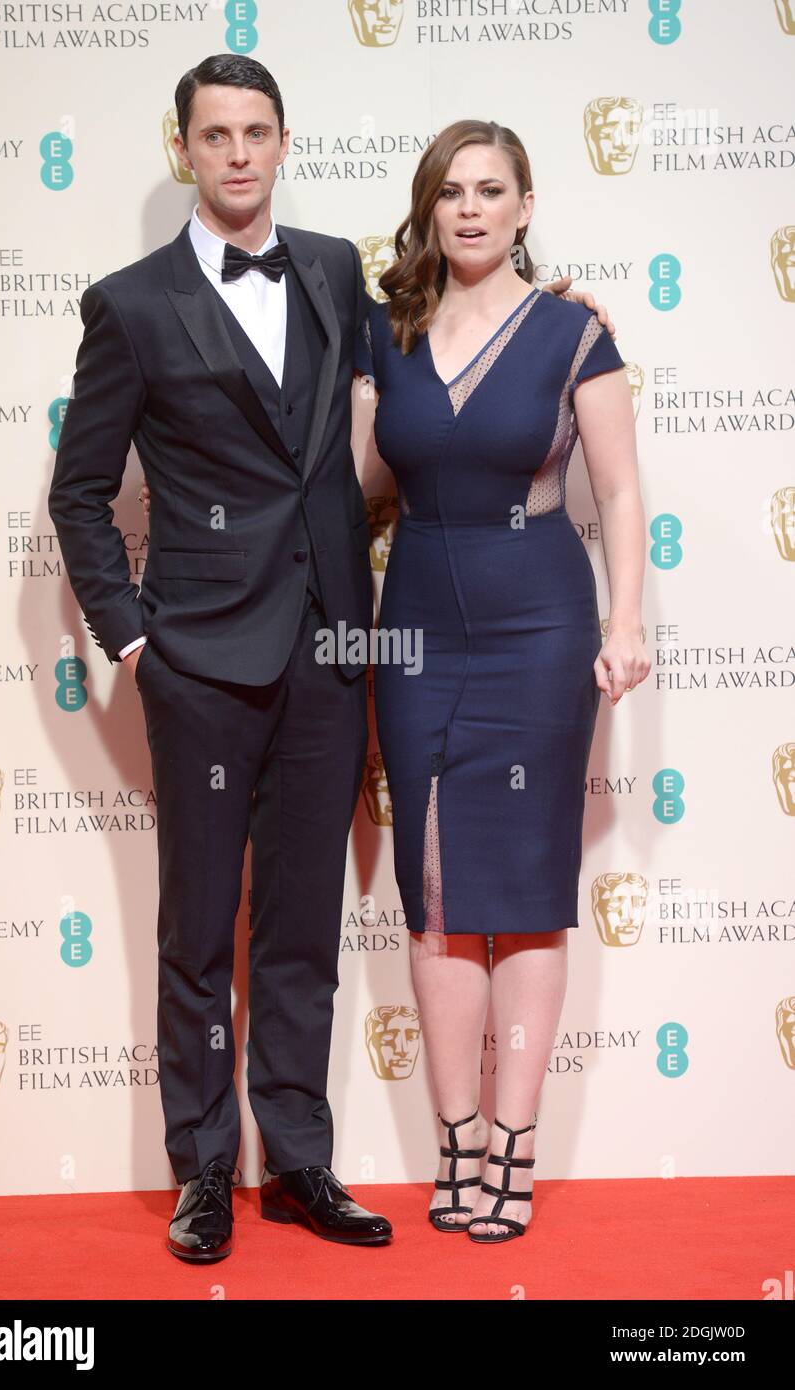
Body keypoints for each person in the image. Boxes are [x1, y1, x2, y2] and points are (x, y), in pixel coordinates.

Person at [74, 56, 611, 1261]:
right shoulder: (130, 303)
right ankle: (204, 1170)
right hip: (200, 658)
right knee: (200, 928)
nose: (239, 154)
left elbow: (456, 350)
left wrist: (571, 317)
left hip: (331, 648)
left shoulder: (332, 272)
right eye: (215, 135)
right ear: (186, 151)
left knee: (304, 926)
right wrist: (133, 634)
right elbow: (79, 495)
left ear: (281, 140)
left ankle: (299, 1158)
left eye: (258, 131)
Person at [351, 119, 650, 1243]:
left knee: (522, 894)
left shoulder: (577, 333)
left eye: (491, 191)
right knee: (433, 904)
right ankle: (457, 1139)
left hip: (538, 621)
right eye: (450, 193)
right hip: (419, 621)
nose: (469, 209)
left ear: (526, 207)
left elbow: (618, 494)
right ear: (429, 212)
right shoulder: (392, 335)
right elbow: (361, 479)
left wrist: (622, 623)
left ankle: (515, 1146)